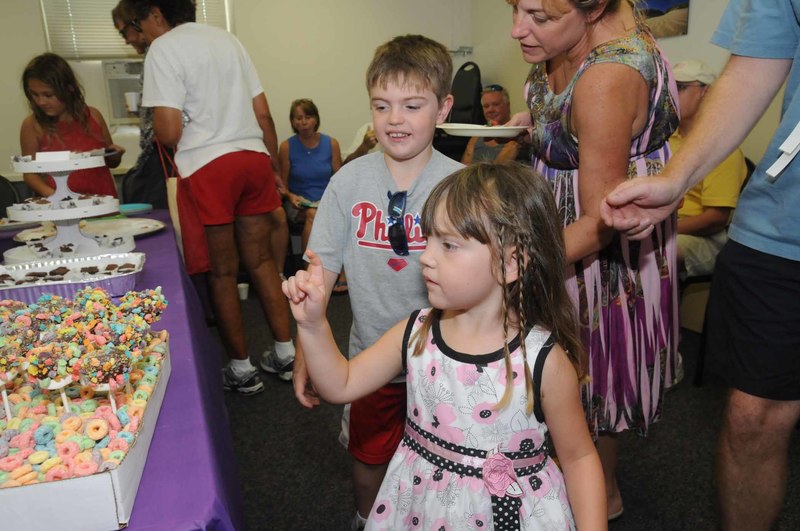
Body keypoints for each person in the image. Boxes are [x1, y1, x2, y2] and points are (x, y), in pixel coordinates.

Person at [284, 162, 606, 530]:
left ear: (512, 262)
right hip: (420, 508)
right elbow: (339, 385)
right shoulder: (416, 333)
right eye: (429, 239)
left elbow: (579, 458)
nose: (425, 256)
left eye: (449, 245)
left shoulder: (543, 360)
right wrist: (312, 324)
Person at [602, 2, 800, 529]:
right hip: (784, 231)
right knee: (752, 416)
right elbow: (757, 63)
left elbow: (715, 216)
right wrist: (675, 182)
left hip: (707, 235)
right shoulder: (676, 144)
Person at [506, 0, 679, 520]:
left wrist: (509, 266)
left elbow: (601, 222)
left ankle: (593, 501)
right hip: (564, 234)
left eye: (537, 15)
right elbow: (571, 128)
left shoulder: (607, 75)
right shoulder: (572, 36)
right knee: (582, 384)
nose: (518, 29)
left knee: (585, 382)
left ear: (593, 8)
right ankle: (594, 492)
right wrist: (537, 126)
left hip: (585, 252)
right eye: (514, 8)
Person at [292, 34, 462, 530]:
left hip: (445, 363)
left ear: (443, 108)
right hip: (368, 361)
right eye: (382, 105)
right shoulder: (347, 182)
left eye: (412, 105)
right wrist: (307, 349)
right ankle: (367, 519)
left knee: (442, 463)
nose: (395, 119)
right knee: (368, 462)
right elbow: (318, 272)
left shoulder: (460, 185)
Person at [129, 0, 295, 393]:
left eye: (139, 24)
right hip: (252, 159)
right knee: (262, 263)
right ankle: (286, 354)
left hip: (209, 166)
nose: (140, 34)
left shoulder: (163, 48)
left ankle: (242, 370)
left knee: (222, 272)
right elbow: (264, 115)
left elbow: (167, 133)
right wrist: (272, 166)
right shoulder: (228, 40)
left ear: (156, 13)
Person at [670, 59, 747, 279]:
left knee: (653, 254)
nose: (672, 94)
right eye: (670, 87)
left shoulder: (722, 148)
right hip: (663, 228)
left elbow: (716, 218)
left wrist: (663, 232)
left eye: (681, 87)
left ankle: (657, 314)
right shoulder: (664, 141)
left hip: (704, 238)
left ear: (707, 92)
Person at [20, 53, 124, 198]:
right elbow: (30, 174)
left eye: (48, 95)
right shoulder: (32, 126)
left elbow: (110, 162)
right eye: (34, 95)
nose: (41, 102)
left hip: (103, 202)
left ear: (69, 89)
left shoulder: (93, 116)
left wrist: (114, 155)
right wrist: (59, 197)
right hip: (61, 209)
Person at [110, 2, 168, 208]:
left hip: (165, 158)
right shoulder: (154, 55)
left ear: (139, 22)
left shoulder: (161, 53)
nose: (127, 41)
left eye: (124, 33)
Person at [279, 98, 342, 254]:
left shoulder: (331, 143)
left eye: (308, 117)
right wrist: (291, 196)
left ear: (316, 119)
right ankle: (309, 270)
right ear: (293, 123)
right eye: (299, 118)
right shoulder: (286, 146)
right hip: (299, 203)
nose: (304, 122)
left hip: (325, 201)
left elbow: (339, 180)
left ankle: (335, 270)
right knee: (313, 215)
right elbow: (282, 185)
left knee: (328, 216)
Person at [460, 84, 522, 164]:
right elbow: (463, 170)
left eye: (496, 104)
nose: (490, 110)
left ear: (508, 106)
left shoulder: (518, 136)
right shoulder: (476, 137)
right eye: (486, 106)